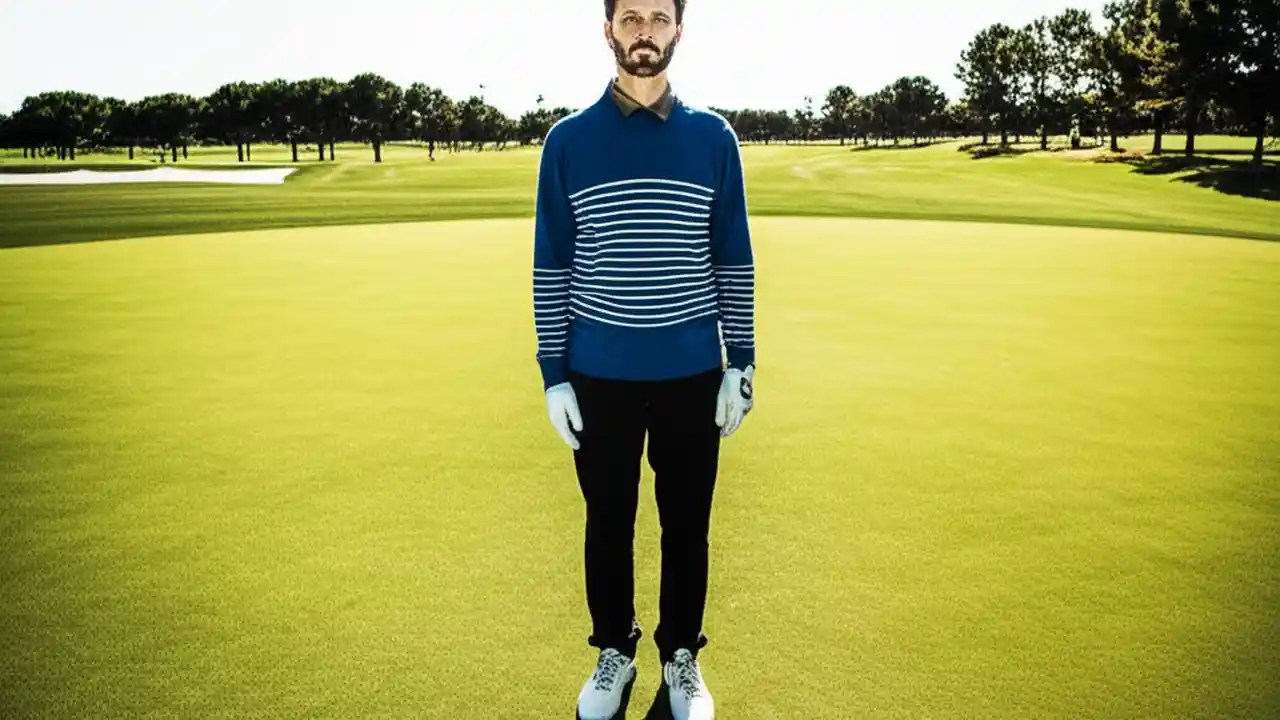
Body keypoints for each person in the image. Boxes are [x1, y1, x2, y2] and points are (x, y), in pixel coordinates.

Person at [531, 2, 756, 719]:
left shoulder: (713, 137)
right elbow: (552, 263)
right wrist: (553, 374)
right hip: (599, 376)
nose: (645, 31)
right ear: (608, 29)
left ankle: (681, 655)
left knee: (687, 525)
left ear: (679, 30)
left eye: (660, 16)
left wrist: (742, 362)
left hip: (692, 373)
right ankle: (615, 653)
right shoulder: (568, 141)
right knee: (608, 523)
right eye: (630, 16)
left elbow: (733, 256)